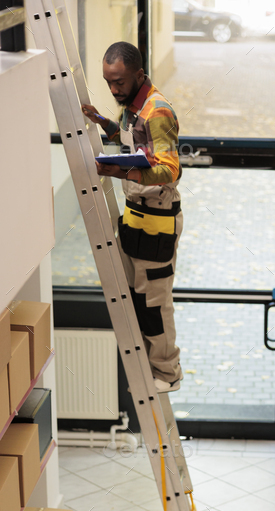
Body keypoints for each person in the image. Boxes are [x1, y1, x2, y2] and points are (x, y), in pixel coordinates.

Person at [81, 41, 183, 393]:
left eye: (120, 82)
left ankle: (168, 374)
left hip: (157, 219)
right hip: (136, 216)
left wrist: (120, 173)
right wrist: (103, 122)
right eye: (108, 82)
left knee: (154, 303)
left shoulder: (157, 111)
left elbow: (170, 170)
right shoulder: (132, 107)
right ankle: (156, 366)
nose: (114, 89)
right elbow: (132, 144)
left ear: (139, 75)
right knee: (138, 298)